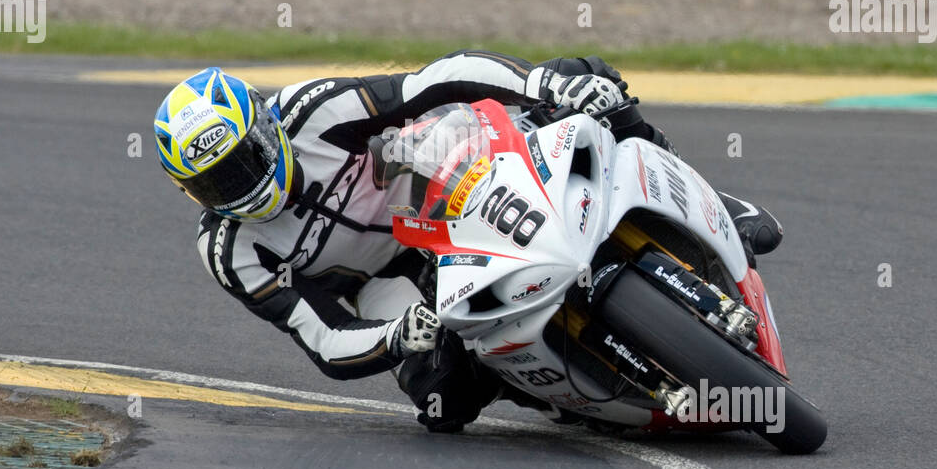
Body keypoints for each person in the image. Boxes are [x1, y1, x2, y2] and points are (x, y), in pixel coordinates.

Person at [153, 52, 782, 431]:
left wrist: (541, 86)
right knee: (441, 402)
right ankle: (561, 393)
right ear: (190, 194)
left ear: (263, 126)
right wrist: (398, 337)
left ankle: (702, 194)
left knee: (585, 81)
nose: (240, 186)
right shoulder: (231, 252)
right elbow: (320, 339)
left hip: (435, 180)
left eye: (244, 160)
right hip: (395, 283)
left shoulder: (316, 111)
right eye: (215, 183)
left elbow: (441, 78)